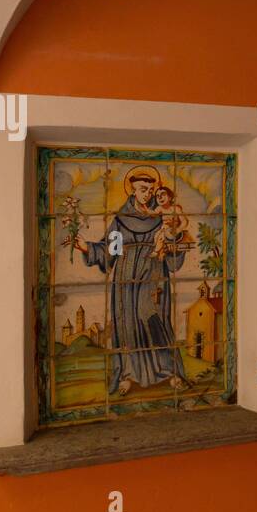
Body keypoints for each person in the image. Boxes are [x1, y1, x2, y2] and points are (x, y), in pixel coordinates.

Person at [63, 165, 187, 396]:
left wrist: (175, 238)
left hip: (154, 274)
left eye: (151, 189)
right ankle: (128, 374)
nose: (147, 193)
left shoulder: (162, 215)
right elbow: (112, 249)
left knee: (154, 320)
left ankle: (169, 371)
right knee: (128, 323)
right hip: (127, 278)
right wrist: (86, 247)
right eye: (142, 189)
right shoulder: (122, 220)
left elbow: (173, 241)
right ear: (132, 190)